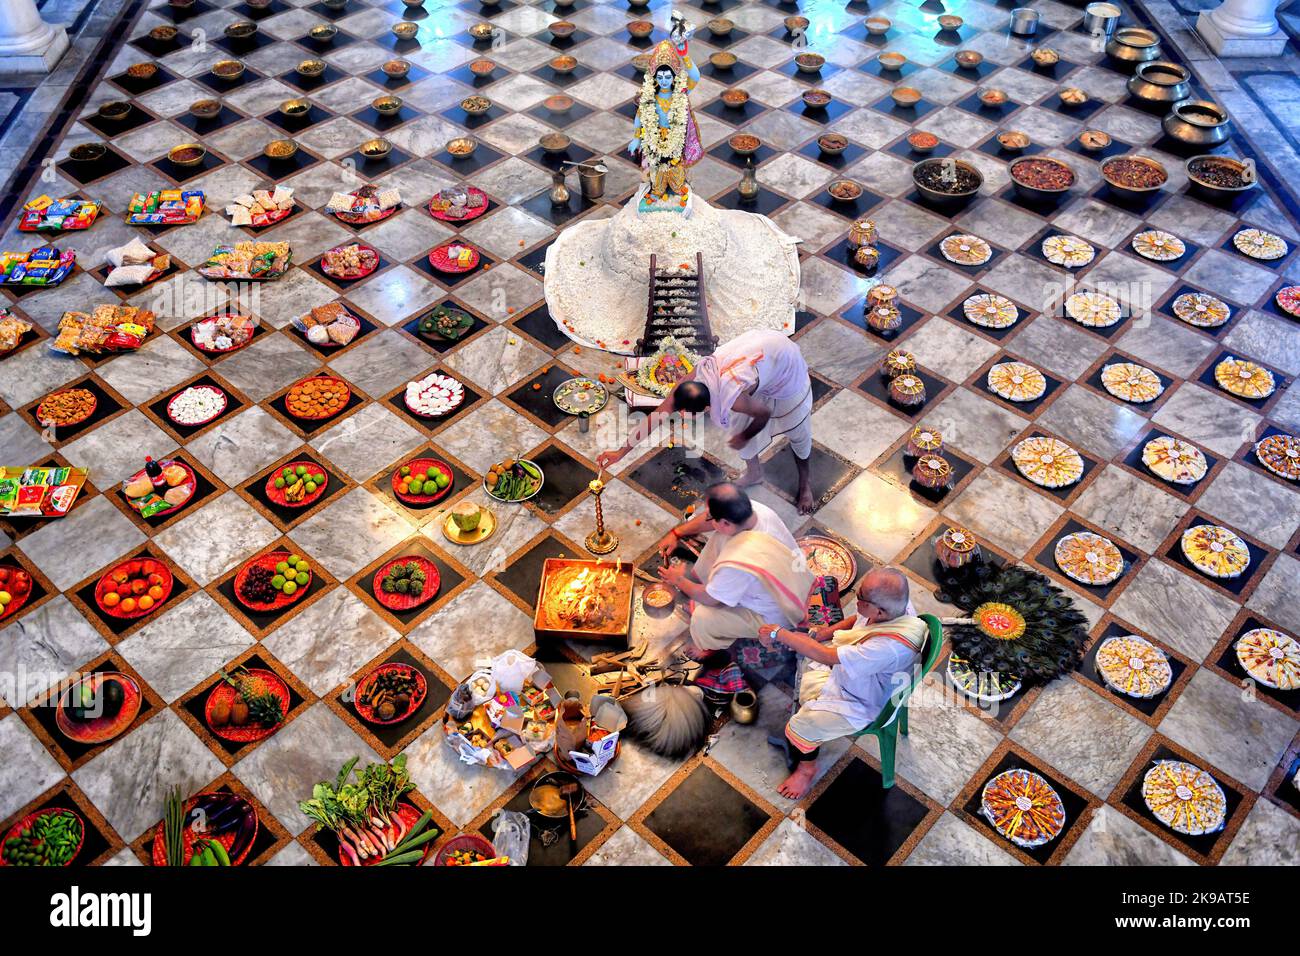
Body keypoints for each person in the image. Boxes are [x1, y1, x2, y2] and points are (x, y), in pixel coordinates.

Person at [597, 330, 816, 513]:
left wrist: (744, 437)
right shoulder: (696, 375)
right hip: (759, 361)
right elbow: (656, 417)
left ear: (707, 406)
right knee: (739, 424)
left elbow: (763, 414)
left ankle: (805, 485)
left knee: (797, 432)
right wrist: (621, 452)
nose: (681, 415)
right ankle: (754, 474)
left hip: (785, 366)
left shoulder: (734, 394)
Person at [758, 568, 928, 800]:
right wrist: (818, 636)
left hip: (866, 702)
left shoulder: (886, 647)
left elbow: (828, 657)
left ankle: (807, 769)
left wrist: (780, 634)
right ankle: (810, 712)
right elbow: (856, 622)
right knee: (807, 657)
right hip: (863, 678)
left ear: (879, 610)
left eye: (860, 599)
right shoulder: (896, 609)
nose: (855, 600)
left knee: (802, 724)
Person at [656, 482, 814, 660]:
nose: (708, 519)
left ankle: (711, 648)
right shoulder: (753, 511)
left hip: (776, 614)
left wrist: (678, 580)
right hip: (789, 584)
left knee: (702, 619)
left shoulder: (739, 560)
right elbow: (712, 522)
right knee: (720, 537)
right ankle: (722, 589)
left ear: (725, 522)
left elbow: (710, 599)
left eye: (711, 517)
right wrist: (676, 533)